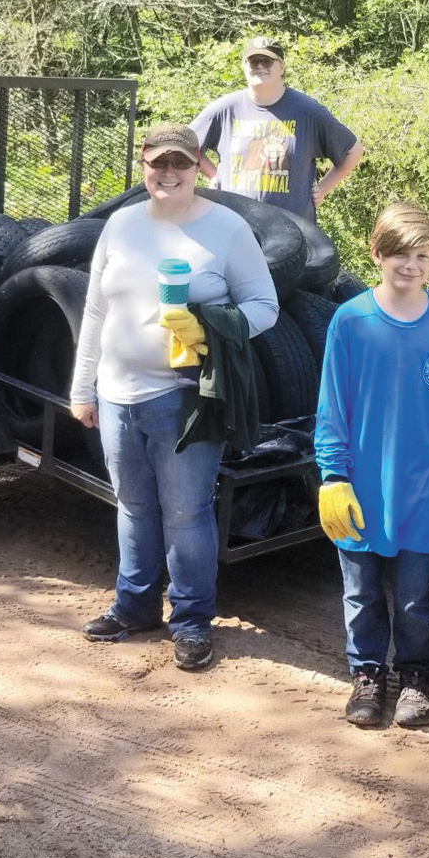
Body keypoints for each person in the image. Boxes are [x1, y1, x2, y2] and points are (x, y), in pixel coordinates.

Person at [69, 123, 279, 671]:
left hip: (185, 396)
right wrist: (82, 387)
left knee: (186, 513)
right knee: (134, 506)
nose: (168, 174)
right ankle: (134, 607)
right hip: (117, 393)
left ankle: (190, 622)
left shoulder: (226, 229)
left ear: (199, 167)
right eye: (158, 163)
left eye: (180, 164)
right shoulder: (120, 224)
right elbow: (95, 310)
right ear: (143, 164)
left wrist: (210, 330)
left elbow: (265, 305)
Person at [314, 201, 429, 727]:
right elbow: (332, 404)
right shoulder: (350, 320)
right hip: (359, 481)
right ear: (377, 253)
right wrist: (332, 475)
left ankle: (417, 678)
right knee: (360, 592)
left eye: (422, 255)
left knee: (413, 595)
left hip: (417, 483)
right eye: (400, 254)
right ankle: (368, 674)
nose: (411, 265)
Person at [189, 36, 364, 222]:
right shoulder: (226, 108)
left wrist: (323, 187)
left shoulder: (307, 111)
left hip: (293, 230)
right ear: (244, 66)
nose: (259, 66)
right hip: (235, 226)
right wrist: (214, 175)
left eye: (267, 61)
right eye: (253, 61)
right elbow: (185, 144)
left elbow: (353, 150)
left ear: (281, 67)